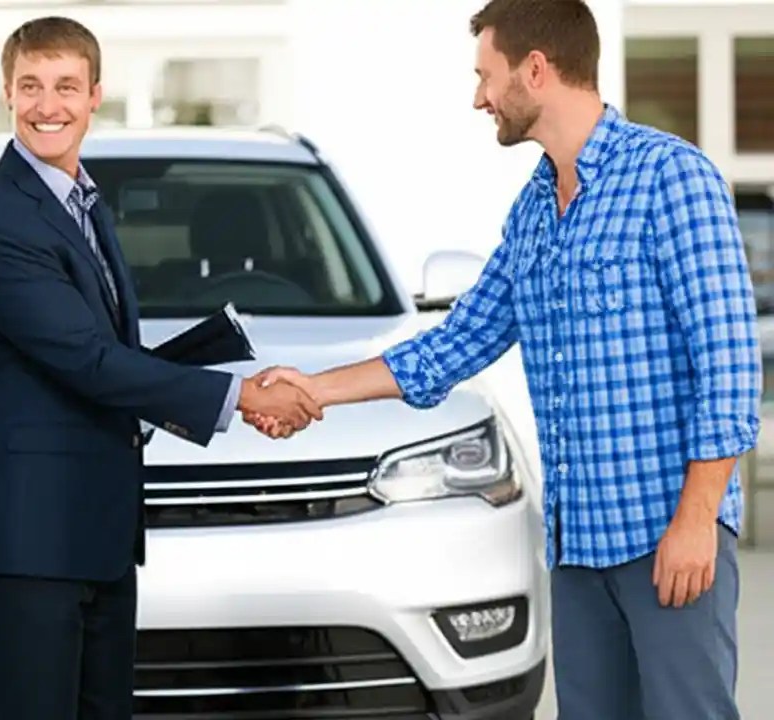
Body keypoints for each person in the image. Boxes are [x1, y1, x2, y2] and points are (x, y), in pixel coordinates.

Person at [250, 1, 760, 718]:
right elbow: (455, 345)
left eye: (486, 76)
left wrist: (697, 519)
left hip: (666, 536)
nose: (479, 97)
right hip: (579, 548)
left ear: (537, 70)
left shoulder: (670, 178)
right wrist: (316, 389)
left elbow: (730, 365)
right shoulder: (531, 212)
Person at [0, 15, 322, 720]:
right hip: (30, 540)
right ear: (6, 94)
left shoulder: (80, 201)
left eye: (65, 86)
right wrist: (237, 396)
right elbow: (87, 360)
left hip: (96, 536)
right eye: (30, 86)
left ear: (95, 95)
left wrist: (186, 374)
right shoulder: (0, 220)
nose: (47, 105)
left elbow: (94, 353)